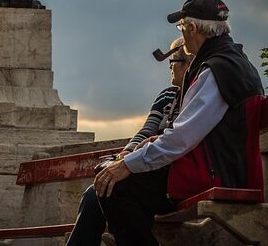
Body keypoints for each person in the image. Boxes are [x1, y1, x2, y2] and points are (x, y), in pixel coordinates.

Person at [95, 0, 265, 246]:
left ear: (193, 28)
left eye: (181, 27)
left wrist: (127, 164)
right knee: (121, 184)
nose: (182, 33)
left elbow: (182, 138)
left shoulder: (214, 70)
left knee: (114, 184)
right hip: (226, 167)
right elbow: (193, 130)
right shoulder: (233, 61)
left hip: (216, 173)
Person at [66, 38, 193, 246]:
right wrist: (125, 154)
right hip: (146, 169)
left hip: (169, 177)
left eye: (173, 61)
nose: (169, 67)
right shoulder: (168, 96)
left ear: (188, 65)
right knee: (98, 189)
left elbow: (179, 139)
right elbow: (147, 130)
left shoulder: (194, 98)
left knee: (104, 190)